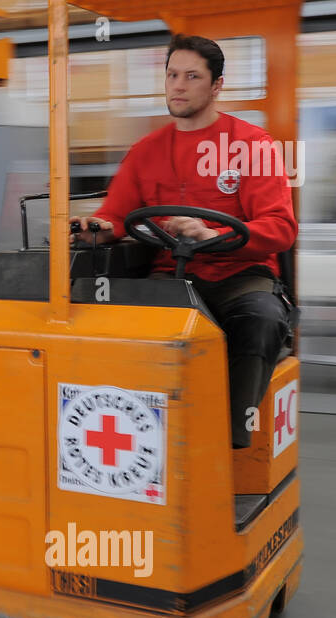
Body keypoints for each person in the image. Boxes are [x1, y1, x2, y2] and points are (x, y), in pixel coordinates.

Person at [71, 34, 297, 449]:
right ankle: (127, 440)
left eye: (192, 76)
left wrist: (214, 234)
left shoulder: (252, 145)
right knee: (99, 318)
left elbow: (280, 227)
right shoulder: (145, 152)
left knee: (261, 319)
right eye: (172, 75)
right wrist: (98, 227)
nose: (177, 85)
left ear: (216, 86)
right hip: (171, 277)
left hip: (239, 276)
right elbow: (116, 215)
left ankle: (228, 444)